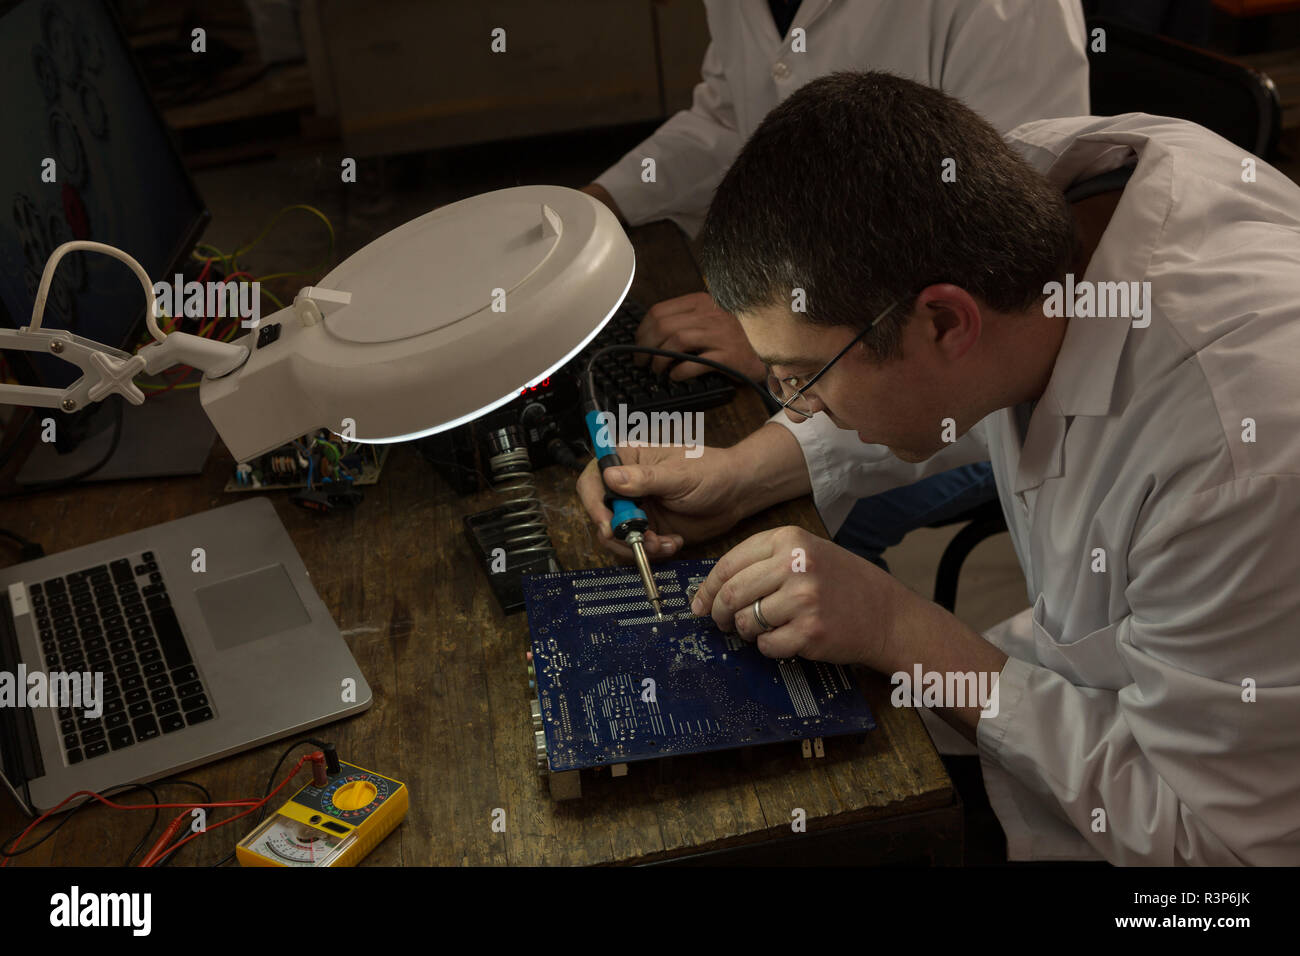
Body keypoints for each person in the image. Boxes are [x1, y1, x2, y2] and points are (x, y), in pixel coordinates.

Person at [577, 71, 1300, 865]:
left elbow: (1223, 854)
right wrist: (743, 473)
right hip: (1118, 688)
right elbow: (966, 381)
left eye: (802, 376)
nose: (794, 404)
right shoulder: (1031, 202)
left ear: (945, 320)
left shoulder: (1239, 453)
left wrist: (898, 627)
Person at [581, 0, 1091, 572]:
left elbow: (1000, 314)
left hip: (975, 403)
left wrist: (889, 626)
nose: (790, 393)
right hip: (904, 365)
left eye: (797, 377)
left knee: (820, 544)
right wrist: (590, 211)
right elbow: (728, 121)